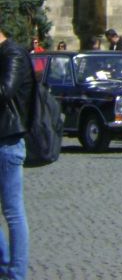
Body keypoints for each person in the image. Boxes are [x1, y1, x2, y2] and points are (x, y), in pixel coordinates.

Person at [0, 27, 34, 279]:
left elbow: (5, 91)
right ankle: (3, 266)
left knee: (12, 211)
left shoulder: (14, 54)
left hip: (8, 142)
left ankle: (17, 273)